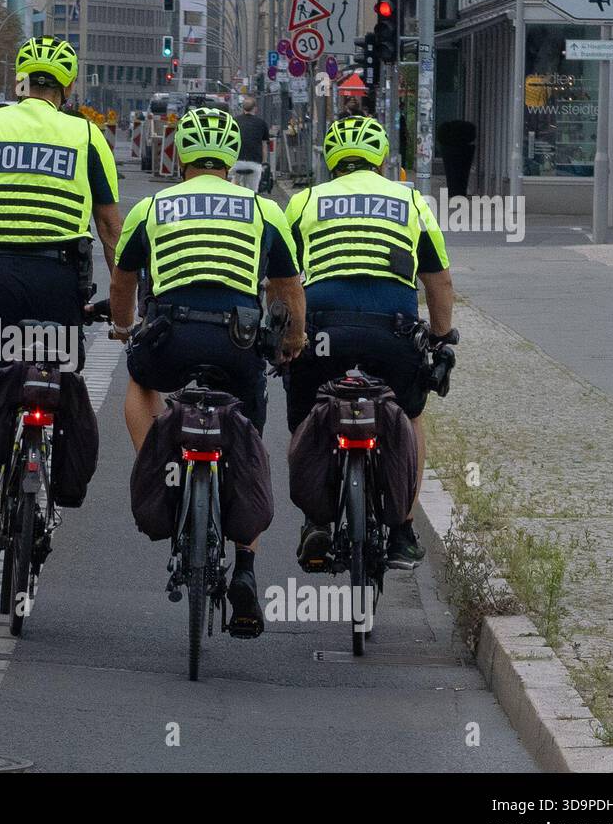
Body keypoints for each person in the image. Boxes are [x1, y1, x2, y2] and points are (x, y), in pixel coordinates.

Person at [0, 36, 122, 597]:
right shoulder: (86, 135)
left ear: (20, 81)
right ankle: (44, 480)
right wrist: (121, 299)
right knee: (53, 387)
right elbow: (111, 227)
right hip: (57, 281)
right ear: (66, 86)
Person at [110, 107, 306, 636]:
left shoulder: (151, 207)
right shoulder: (264, 210)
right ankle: (244, 566)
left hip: (170, 338)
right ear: (231, 157)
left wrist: (124, 327)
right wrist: (292, 341)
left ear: (180, 155)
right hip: (237, 343)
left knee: (141, 384)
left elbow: (124, 278)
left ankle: (158, 466)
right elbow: (287, 288)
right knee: (246, 436)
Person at [283, 116, 456, 571]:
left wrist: (286, 339)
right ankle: (400, 530)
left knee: (304, 419)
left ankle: (314, 521)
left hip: (323, 333)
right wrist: (439, 340)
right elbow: (438, 281)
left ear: (330, 160)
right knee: (411, 415)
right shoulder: (411, 200)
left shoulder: (304, 201)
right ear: (382, 160)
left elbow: (282, 278)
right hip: (393, 334)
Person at [229, 97, 269, 191]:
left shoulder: (234, 121)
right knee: (253, 191)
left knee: (233, 184)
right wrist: (263, 163)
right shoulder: (261, 123)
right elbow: (264, 146)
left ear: (242, 108)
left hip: (235, 163)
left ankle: (233, 191)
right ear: (255, 108)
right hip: (254, 163)